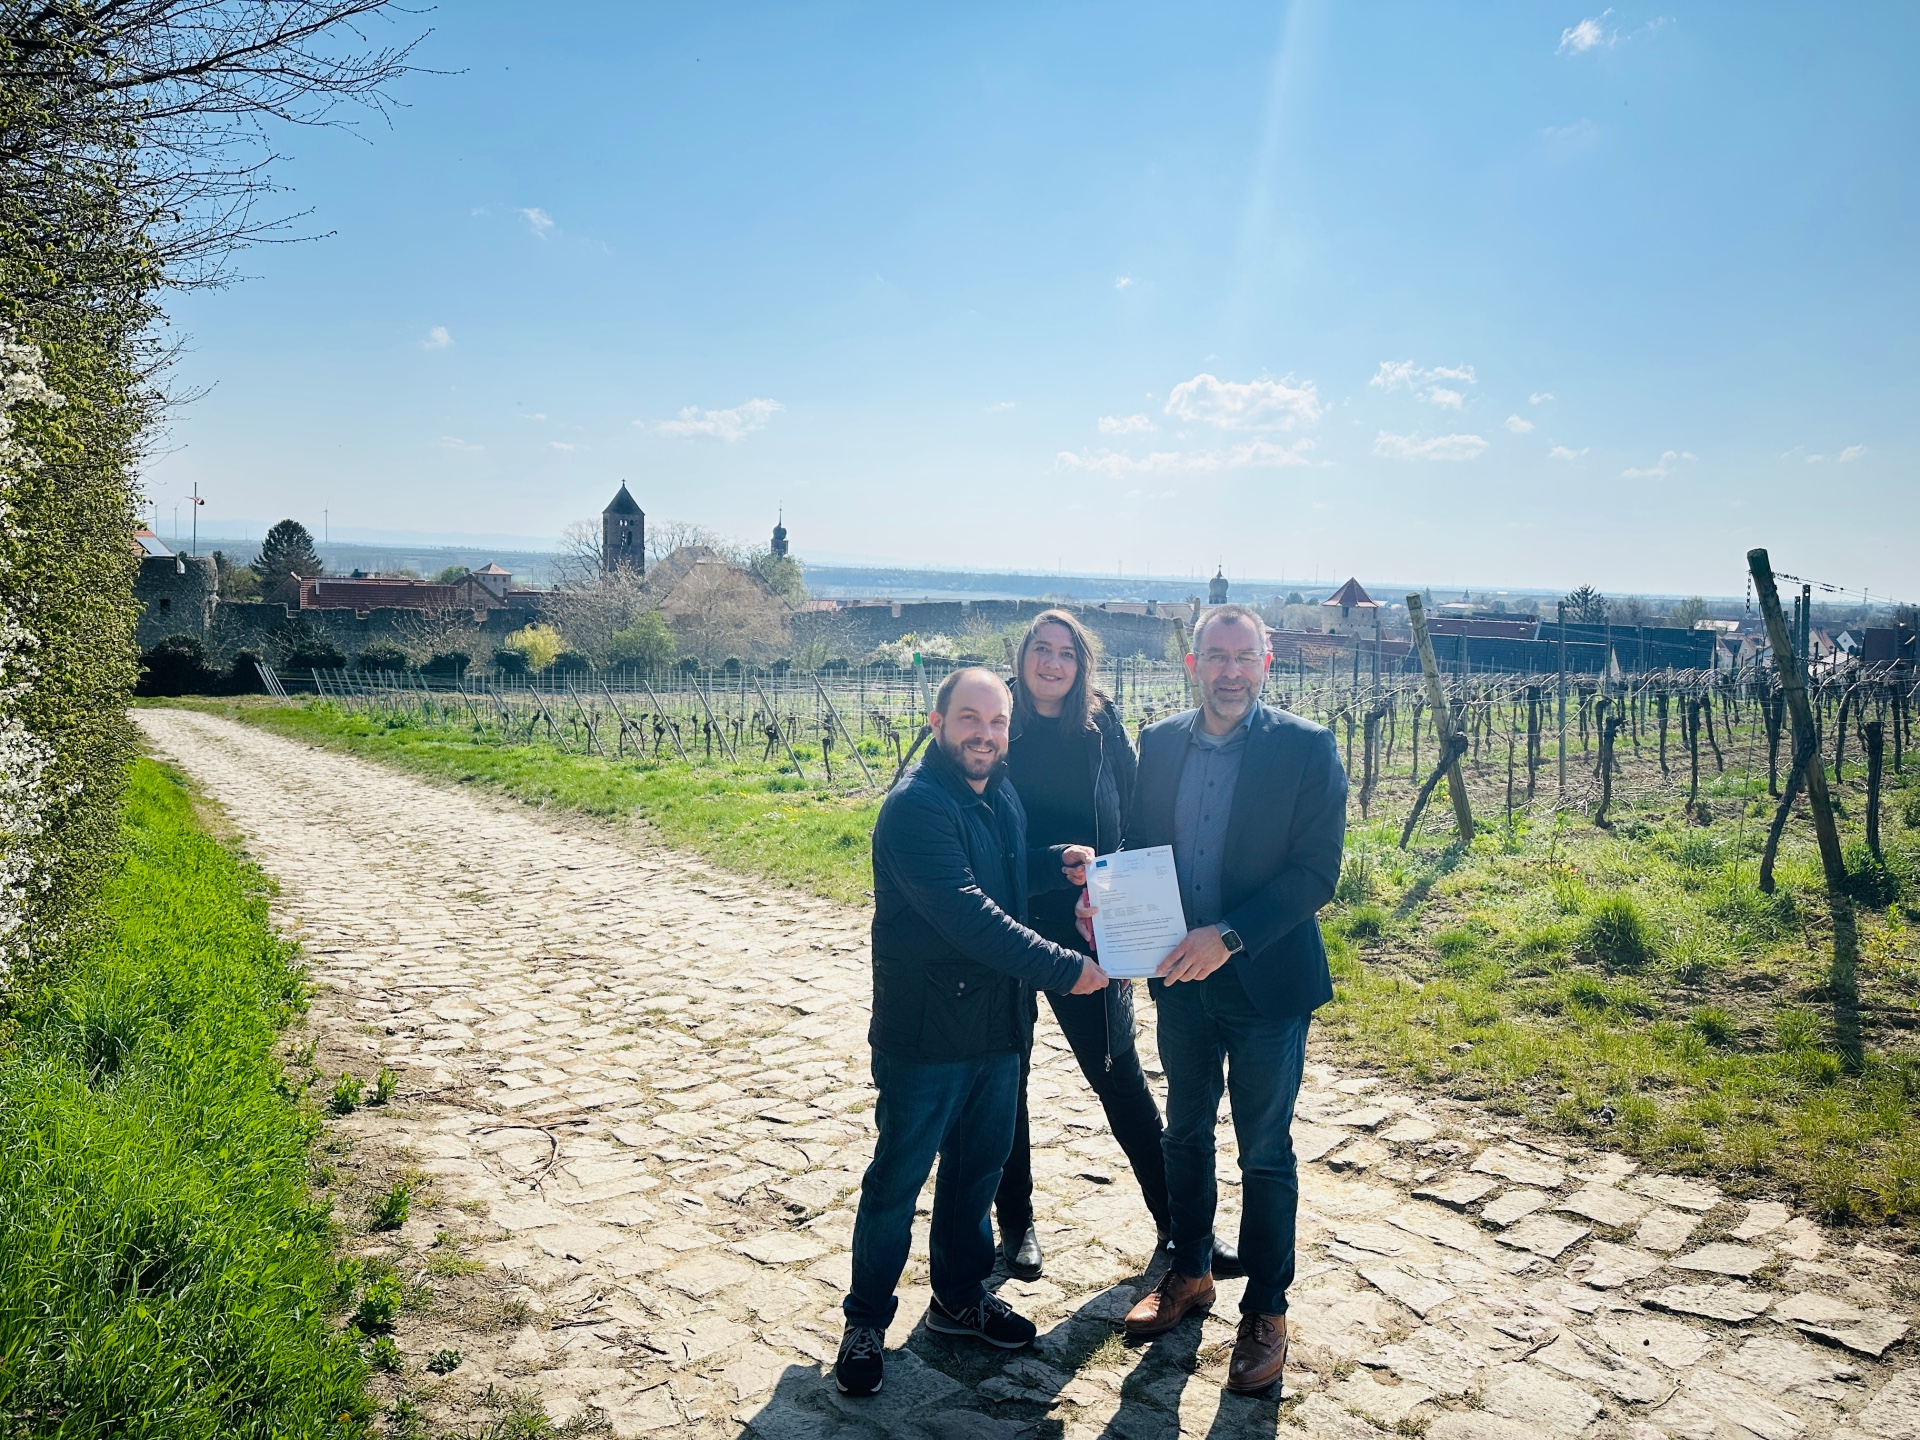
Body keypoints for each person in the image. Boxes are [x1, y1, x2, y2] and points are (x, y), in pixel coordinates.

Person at [1086, 604, 1345, 1396]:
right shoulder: (1159, 742)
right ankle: (1191, 1270)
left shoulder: (1306, 748)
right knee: (1185, 1132)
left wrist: (1227, 935)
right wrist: (1104, 891)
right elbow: (1138, 845)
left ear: (1267, 662)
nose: (1231, 671)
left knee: (1265, 1151)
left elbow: (1315, 873)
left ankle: (1266, 1311)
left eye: (1245, 656)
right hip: (1177, 980)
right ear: (1192, 664)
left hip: (1264, 983)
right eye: (1216, 656)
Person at [837, 667, 1110, 1399]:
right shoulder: (915, 810)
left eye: (996, 723)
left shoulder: (1001, 796)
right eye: (969, 719)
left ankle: (958, 1299)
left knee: (975, 1174)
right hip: (925, 1032)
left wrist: (1058, 865)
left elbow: (1003, 879)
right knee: (897, 1180)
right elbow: (965, 913)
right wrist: (1068, 967)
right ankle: (865, 1319)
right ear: (937, 722)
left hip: (997, 1028)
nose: (984, 734)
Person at [994, 609, 1240, 1283]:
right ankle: (1014, 1224)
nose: (1052, 662)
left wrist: (1117, 908)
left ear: (1082, 665)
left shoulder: (1102, 728)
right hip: (1006, 924)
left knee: (1118, 1073)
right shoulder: (997, 725)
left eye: (1065, 653)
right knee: (1004, 1077)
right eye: (1040, 649)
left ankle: (1181, 1226)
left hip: (1089, 927)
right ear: (1022, 657)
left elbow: (1136, 823)